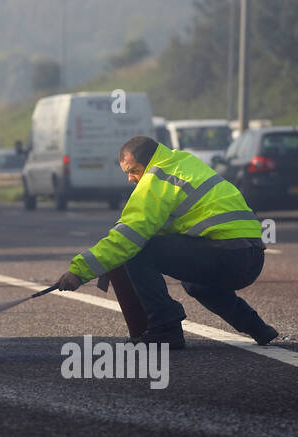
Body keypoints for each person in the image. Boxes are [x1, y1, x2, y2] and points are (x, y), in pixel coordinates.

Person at [53, 135, 278, 349]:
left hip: (226, 255)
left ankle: (165, 329)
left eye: (133, 171)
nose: (130, 178)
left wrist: (79, 272)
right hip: (252, 257)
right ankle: (256, 328)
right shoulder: (184, 163)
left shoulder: (157, 177)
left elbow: (128, 237)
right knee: (196, 283)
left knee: (139, 250)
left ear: (148, 162)